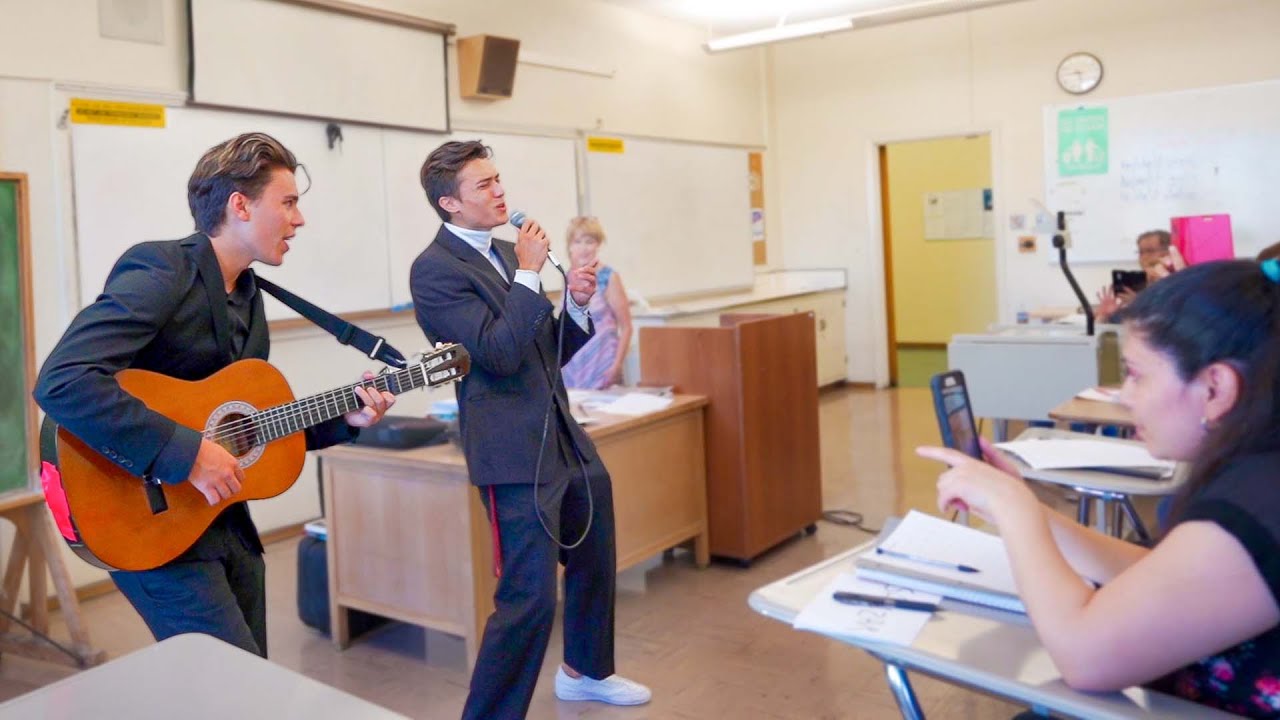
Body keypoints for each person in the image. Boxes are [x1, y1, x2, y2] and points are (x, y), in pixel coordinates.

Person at [33, 132, 396, 658]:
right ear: (240, 205)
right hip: (146, 520)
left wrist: (347, 420)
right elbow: (63, 380)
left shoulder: (248, 296)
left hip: (223, 522)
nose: (300, 220)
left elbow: (250, 429)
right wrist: (184, 451)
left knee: (247, 679)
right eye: (289, 203)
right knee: (232, 688)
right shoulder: (162, 270)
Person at [918, 258, 1280, 717]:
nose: (1124, 397)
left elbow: (1085, 658)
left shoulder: (1256, 505)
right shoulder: (1257, 474)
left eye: (1136, 374)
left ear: (1215, 387)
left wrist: (1013, 511)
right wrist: (1030, 505)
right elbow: (1162, 572)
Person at [409, 141, 650, 719]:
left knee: (596, 552)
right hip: (512, 452)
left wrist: (577, 308)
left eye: (499, 180)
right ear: (449, 203)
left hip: (563, 433)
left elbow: (542, 352)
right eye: (483, 185)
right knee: (529, 597)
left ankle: (585, 672)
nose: (500, 192)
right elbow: (494, 353)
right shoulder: (436, 271)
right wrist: (527, 272)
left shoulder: (503, 254)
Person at [561, 217, 633, 389]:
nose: (584, 248)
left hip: (603, 364)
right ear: (570, 246)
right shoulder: (568, 275)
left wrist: (616, 366)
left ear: (598, 244)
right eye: (578, 242)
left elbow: (627, 327)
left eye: (589, 241)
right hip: (573, 367)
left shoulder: (608, 277)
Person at [1096, 229, 1186, 322]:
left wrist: (1139, 304)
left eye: (1150, 251)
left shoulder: (1179, 284)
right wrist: (1105, 315)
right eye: (1140, 252)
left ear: (1169, 252)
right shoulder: (1135, 283)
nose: (1144, 257)